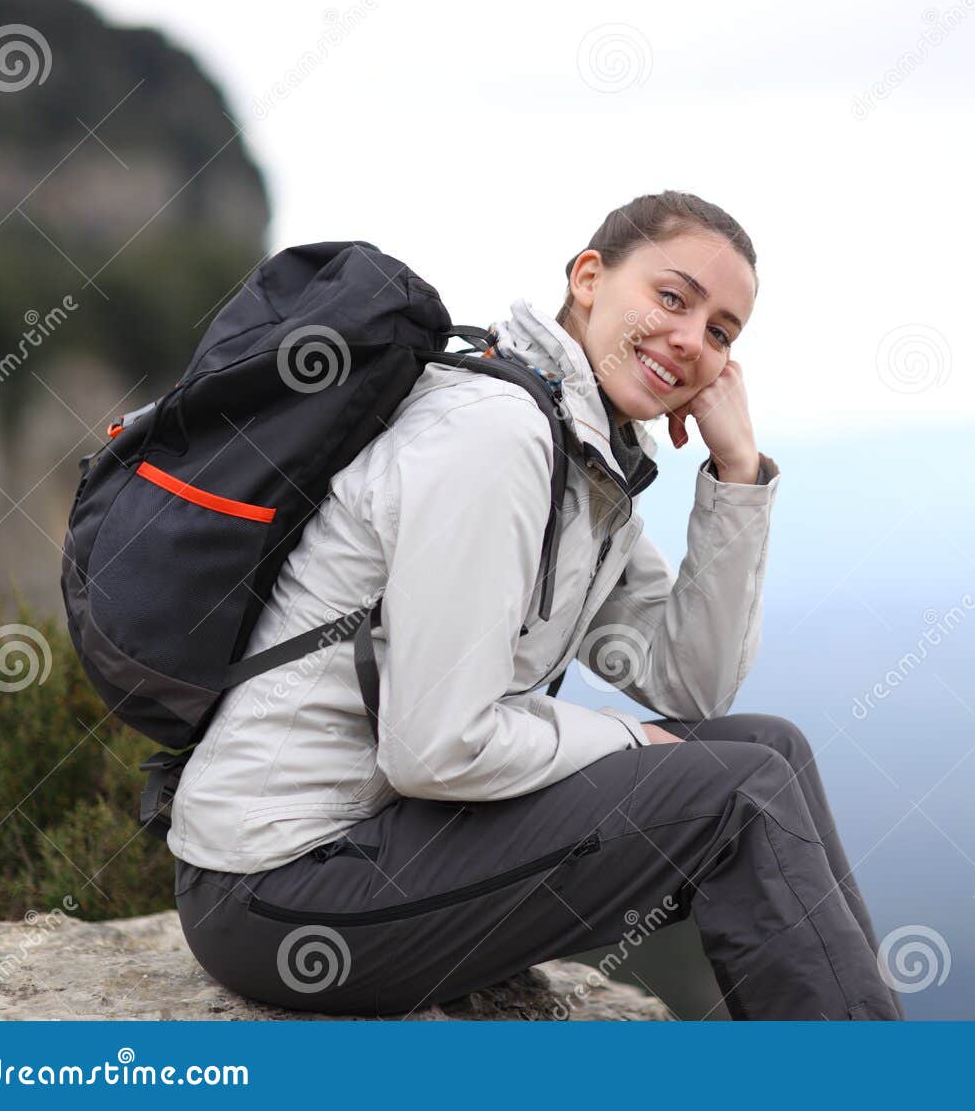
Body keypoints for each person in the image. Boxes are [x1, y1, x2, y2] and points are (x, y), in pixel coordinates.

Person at [169, 190, 904, 1020]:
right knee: (741, 794)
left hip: (377, 840)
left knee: (773, 749)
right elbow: (437, 748)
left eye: (722, 332)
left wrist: (737, 475)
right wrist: (628, 738)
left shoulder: (583, 455)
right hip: (280, 886)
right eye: (673, 297)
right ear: (589, 278)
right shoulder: (497, 437)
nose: (691, 341)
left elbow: (689, 687)